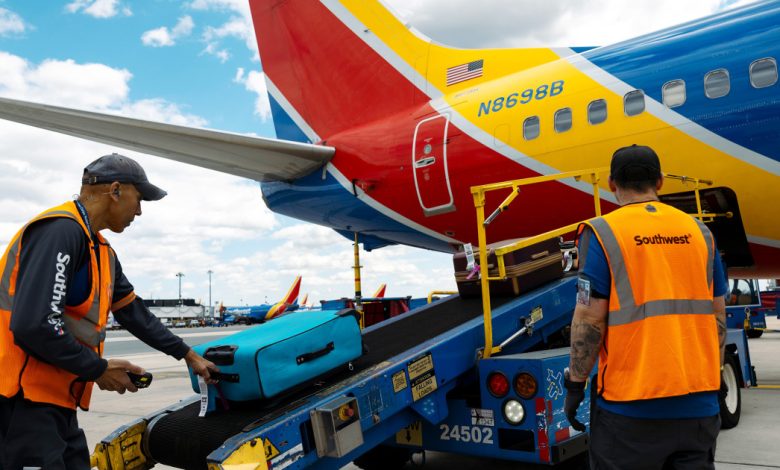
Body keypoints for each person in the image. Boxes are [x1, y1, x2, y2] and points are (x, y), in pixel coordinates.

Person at [0, 153, 219, 469]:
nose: (140, 211)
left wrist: (188, 355)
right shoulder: (60, 231)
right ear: (115, 190)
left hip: (57, 401)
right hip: (20, 401)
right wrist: (98, 368)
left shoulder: (101, 251)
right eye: (139, 199)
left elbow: (133, 312)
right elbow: (35, 325)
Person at [563, 145, 727, 469]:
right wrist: (714, 375)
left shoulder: (603, 233)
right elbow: (718, 314)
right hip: (699, 408)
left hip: (630, 411)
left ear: (612, 183)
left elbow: (589, 319)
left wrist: (575, 385)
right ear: (661, 182)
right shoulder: (701, 233)